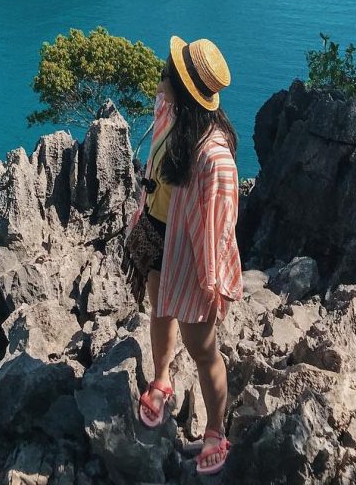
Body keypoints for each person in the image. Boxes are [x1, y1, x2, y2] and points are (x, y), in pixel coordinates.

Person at [124, 36, 242, 476]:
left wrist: (215, 283)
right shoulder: (171, 112)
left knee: (203, 346)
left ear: (182, 87)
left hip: (193, 256)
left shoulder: (213, 157)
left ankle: (215, 428)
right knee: (159, 309)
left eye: (167, 71)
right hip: (156, 232)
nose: (160, 73)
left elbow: (221, 227)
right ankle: (162, 378)